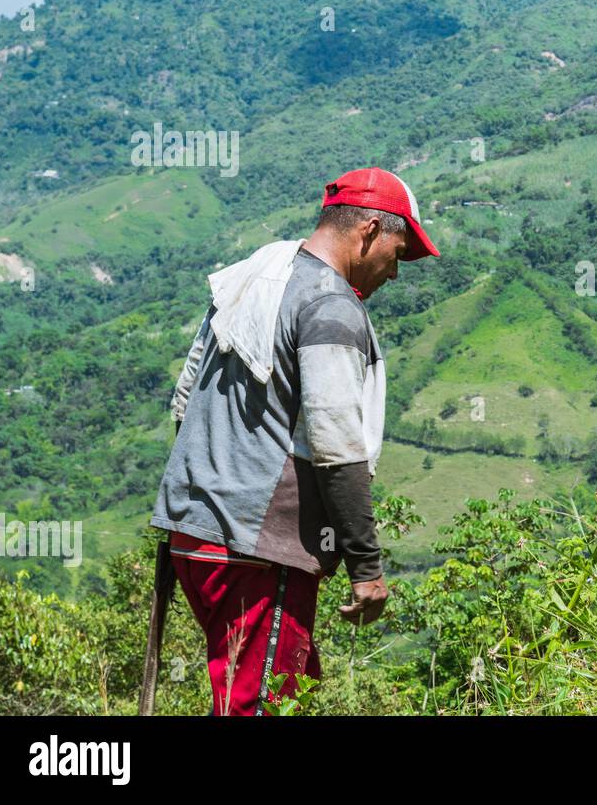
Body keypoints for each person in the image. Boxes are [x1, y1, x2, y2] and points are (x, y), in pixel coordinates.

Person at [151, 167, 439, 715]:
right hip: (258, 551)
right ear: (370, 231)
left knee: (285, 687)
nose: (395, 274)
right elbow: (337, 448)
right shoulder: (330, 306)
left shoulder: (250, 279)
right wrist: (366, 568)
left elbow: (185, 401)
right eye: (398, 255)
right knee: (259, 704)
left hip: (195, 534)